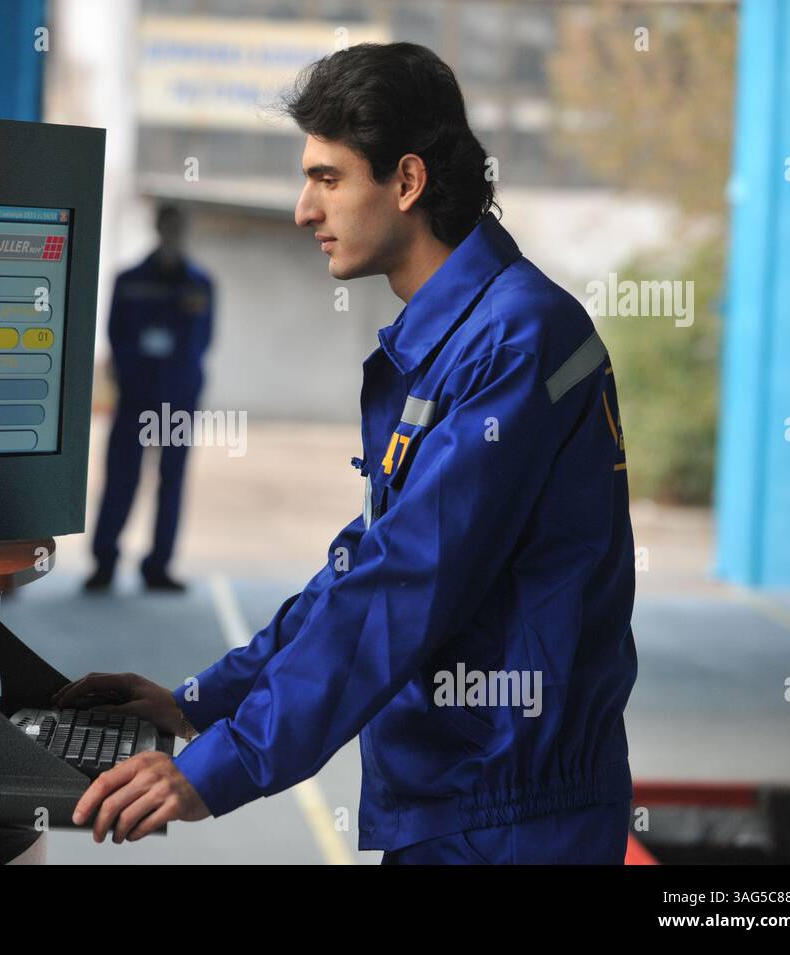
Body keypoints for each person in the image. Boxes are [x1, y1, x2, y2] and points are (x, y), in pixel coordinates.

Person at [57, 42, 637, 864]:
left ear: (406, 182)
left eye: (327, 178)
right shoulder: (459, 336)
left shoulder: (518, 340)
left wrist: (218, 767)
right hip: (460, 801)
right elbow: (366, 562)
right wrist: (203, 700)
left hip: (511, 817)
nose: (303, 209)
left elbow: (406, 582)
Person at [85, 203, 214, 593]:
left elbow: (203, 341)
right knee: (122, 479)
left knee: (170, 483)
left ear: (184, 230)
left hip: (176, 401)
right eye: (167, 224)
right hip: (135, 400)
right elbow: (115, 335)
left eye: (178, 225)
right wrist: (133, 377)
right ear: (158, 227)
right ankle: (104, 562)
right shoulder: (128, 280)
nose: (172, 232)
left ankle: (158, 566)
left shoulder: (199, 284)